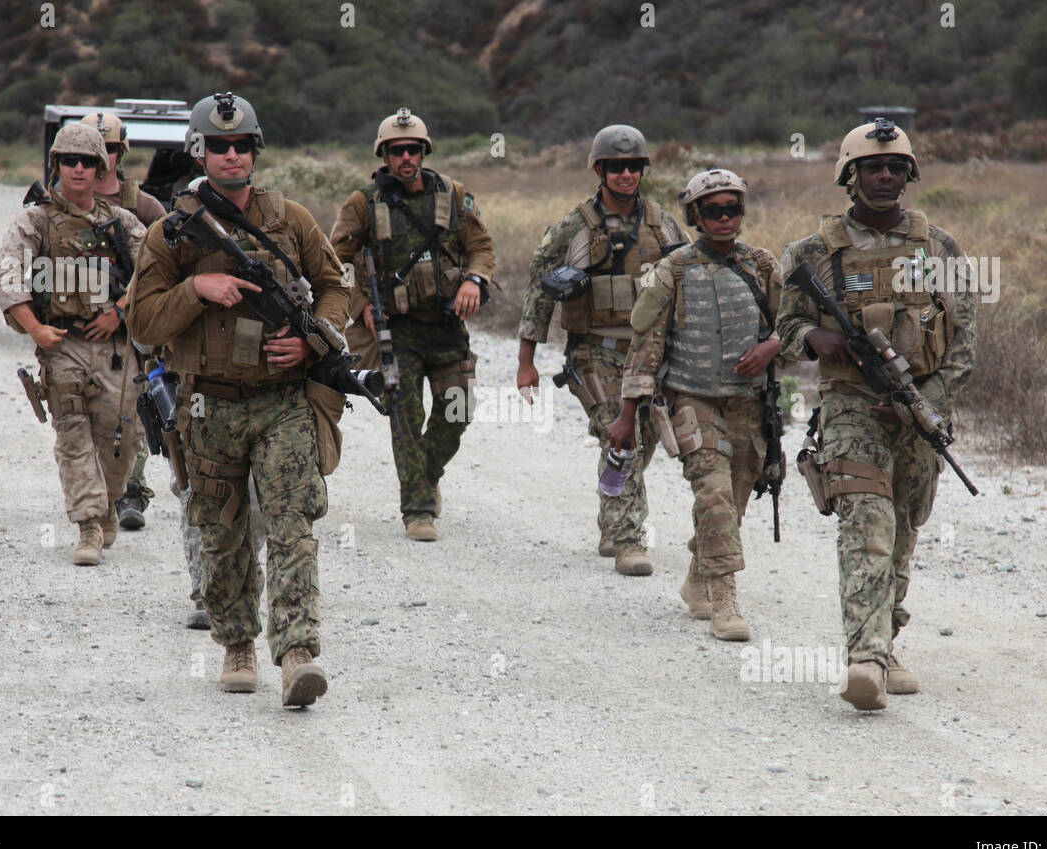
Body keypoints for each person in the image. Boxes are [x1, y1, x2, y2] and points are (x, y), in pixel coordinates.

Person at [127, 92, 349, 707]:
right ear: (200, 150)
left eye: (242, 145)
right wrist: (197, 286)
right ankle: (236, 643)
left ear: (256, 151)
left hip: (283, 401)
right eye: (220, 146)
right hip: (208, 406)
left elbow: (336, 289)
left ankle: (298, 651)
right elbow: (143, 324)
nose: (232, 156)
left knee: (291, 525)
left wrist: (311, 343)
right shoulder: (170, 232)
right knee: (221, 532)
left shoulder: (292, 220)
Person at [777, 119, 977, 710]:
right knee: (867, 522)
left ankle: (886, 640)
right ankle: (864, 658)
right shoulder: (814, 253)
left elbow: (964, 345)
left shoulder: (938, 247)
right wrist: (818, 337)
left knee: (904, 529)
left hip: (919, 411)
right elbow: (783, 331)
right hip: (850, 408)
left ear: (909, 175)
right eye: (873, 167)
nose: (885, 176)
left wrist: (924, 404)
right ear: (850, 175)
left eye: (895, 167)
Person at [607, 169, 782, 638]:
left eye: (733, 208)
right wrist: (628, 414)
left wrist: (775, 345)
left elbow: (800, 326)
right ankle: (725, 599)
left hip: (750, 405)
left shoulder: (762, 266)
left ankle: (696, 579)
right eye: (713, 210)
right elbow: (645, 345)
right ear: (695, 215)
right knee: (715, 494)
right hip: (692, 402)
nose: (725, 218)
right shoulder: (673, 270)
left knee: (734, 504)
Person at [516, 125, 687, 576]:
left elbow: (692, 281)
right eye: (616, 167)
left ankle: (614, 513)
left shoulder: (664, 224)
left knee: (643, 439)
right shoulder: (573, 228)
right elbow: (539, 292)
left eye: (634, 166)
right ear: (599, 170)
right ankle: (630, 539)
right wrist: (526, 361)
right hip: (594, 353)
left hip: (649, 354)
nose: (626, 174)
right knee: (621, 431)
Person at [329, 108, 496, 541]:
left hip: (445, 323)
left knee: (457, 411)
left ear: (424, 152)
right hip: (394, 329)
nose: (406, 157)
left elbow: (480, 246)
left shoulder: (453, 195)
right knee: (405, 416)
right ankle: (418, 510)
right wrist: (362, 304)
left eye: (413, 149)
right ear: (384, 155)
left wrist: (475, 280)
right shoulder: (364, 203)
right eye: (397, 150)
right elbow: (334, 264)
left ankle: (427, 475)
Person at [0, 123, 146, 565]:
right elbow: (7, 278)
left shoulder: (121, 223)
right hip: (62, 344)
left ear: (101, 168)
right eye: (69, 161)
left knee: (121, 439)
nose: (77, 169)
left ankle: (109, 502)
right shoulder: (35, 220)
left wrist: (119, 311)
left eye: (87, 162)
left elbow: (154, 270)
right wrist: (35, 330)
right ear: (56, 164)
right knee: (73, 434)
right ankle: (89, 525)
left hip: (115, 347)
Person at [81, 111, 168, 532]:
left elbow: (165, 263)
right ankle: (92, 494)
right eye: (92, 151)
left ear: (121, 152)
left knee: (133, 405)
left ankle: (131, 491)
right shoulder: (62, 205)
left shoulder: (143, 206)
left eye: (110, 149)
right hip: (82, 324)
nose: (101, 158)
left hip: (133, 323)